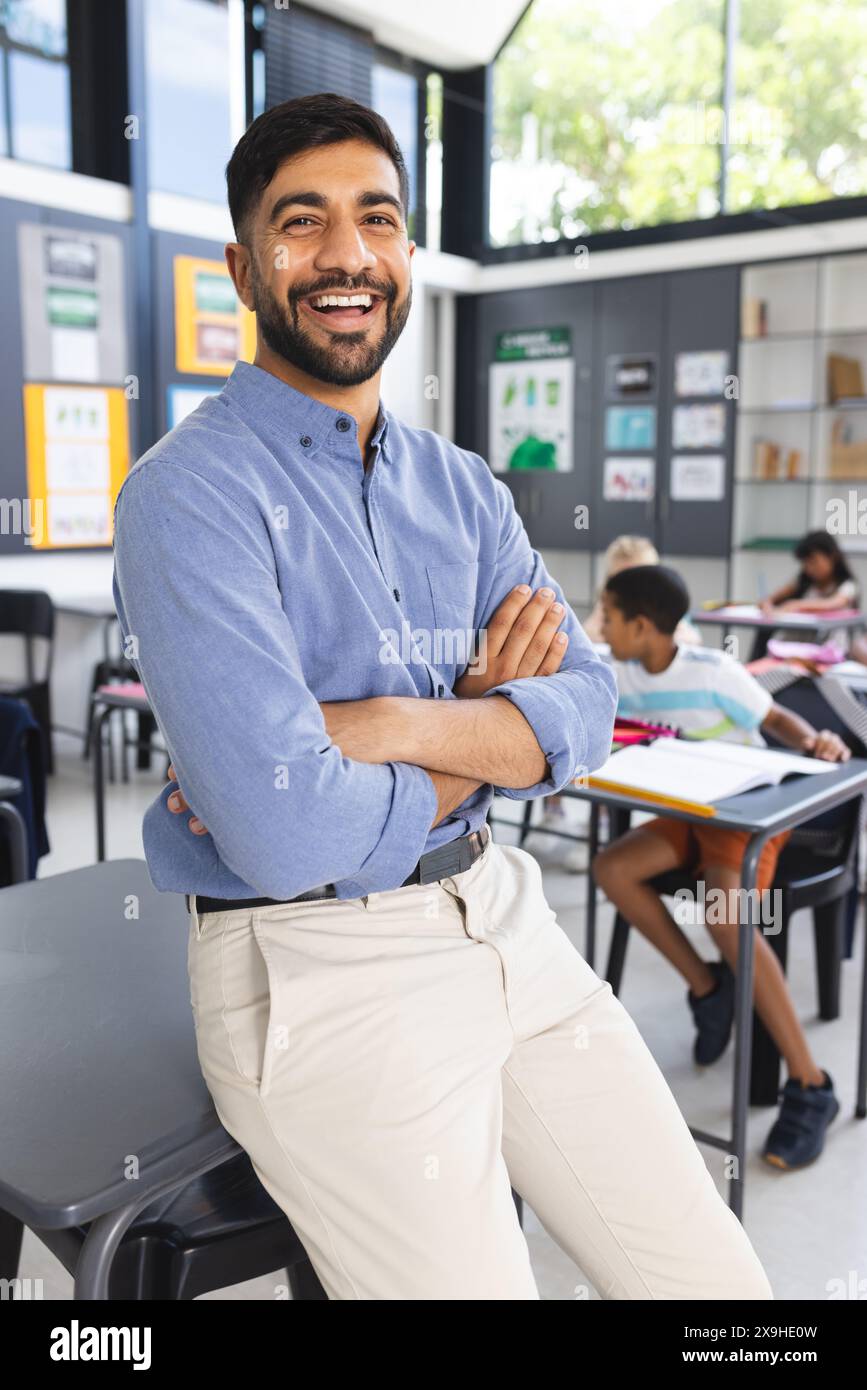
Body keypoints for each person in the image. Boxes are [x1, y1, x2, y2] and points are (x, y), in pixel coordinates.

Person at [113, 93, 772, 1300]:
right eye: (301, 223)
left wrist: (394, 725)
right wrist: (486, 724)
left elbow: (586, 703)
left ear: (407, 252)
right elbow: (284, 828)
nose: (346, 256)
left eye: (377, 219)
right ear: (243, 266)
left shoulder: (464, 488)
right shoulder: (186, 495)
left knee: (722, 1295)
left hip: (501, 914)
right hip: (316, 957)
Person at [593, 564, 849, 1169]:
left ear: (644, 625)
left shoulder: (714, 673)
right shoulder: (620, 670)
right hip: (688, 806)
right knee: (613, 869)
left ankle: (811, 1086)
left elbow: (779, 723)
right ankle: (710, 989)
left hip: (744, 810)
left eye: (609, 616)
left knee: (723, 911)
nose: (601, 626)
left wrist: (818, 741)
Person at [536, 535, 701, 869]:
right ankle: (557, 813)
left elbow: (685, 643)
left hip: (649, 718)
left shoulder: (670, 619)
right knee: (558, 728)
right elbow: (583, 639)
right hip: (611, 710)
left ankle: (601, 827)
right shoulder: (606, 612)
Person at [752, 530, 859, 660]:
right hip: (797, 646)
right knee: (766, 637)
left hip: (829, 650)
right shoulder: (803, 582)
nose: (810, 568)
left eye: (814, 561)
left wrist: (796, 605)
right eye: (806, 563)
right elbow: (770, 599)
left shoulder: (847, 586)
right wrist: (767, 604)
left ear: (832, 556)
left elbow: (835, 603)